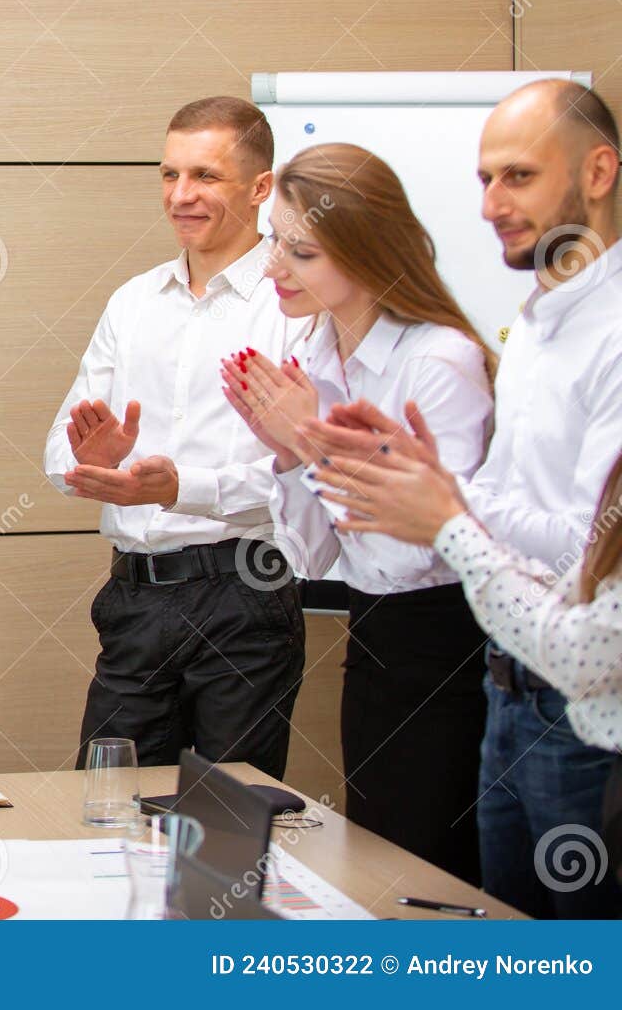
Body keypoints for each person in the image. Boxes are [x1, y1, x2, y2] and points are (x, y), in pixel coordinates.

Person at [301, 78, 622, 918]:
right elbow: (513, 508)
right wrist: (430, 485)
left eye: (517, 175)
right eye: (483, 179)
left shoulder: (613, 330)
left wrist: (444, 508)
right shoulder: (544, 317)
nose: (489, 204)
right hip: (503, 686)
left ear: (598, 170)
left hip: (585, 707)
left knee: (575, 958)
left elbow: (592, 551)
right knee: (500, 946)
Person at [216, 142, 494, 882]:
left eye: (301, 252)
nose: (274, 266)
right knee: (378, 860)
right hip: (371, 642)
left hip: (445, 645)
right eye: (275, 239)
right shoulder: (317, 352)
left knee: (431, 870)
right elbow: (311, 561)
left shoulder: (437, 361)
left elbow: (420, 551)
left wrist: (311, 447)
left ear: (366, 249)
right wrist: (284, 454)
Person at [44, 96, 310, 778]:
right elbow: (60, 451)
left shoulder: (298, 303)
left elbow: (307, 475)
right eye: (169, 175)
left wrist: (178, 488)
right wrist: (88, 459)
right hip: (136, 599)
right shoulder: (133, 301)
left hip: (245, 595)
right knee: (104, 809)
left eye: (205, 177)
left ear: (260, 188)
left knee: (225, 824)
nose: (181, 196)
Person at [304, 418, 622, 900]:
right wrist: (451, 501)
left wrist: (452, 525)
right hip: (511, 691)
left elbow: (582, 653)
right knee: (506, 926)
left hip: (585, 739)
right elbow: (575, 591)